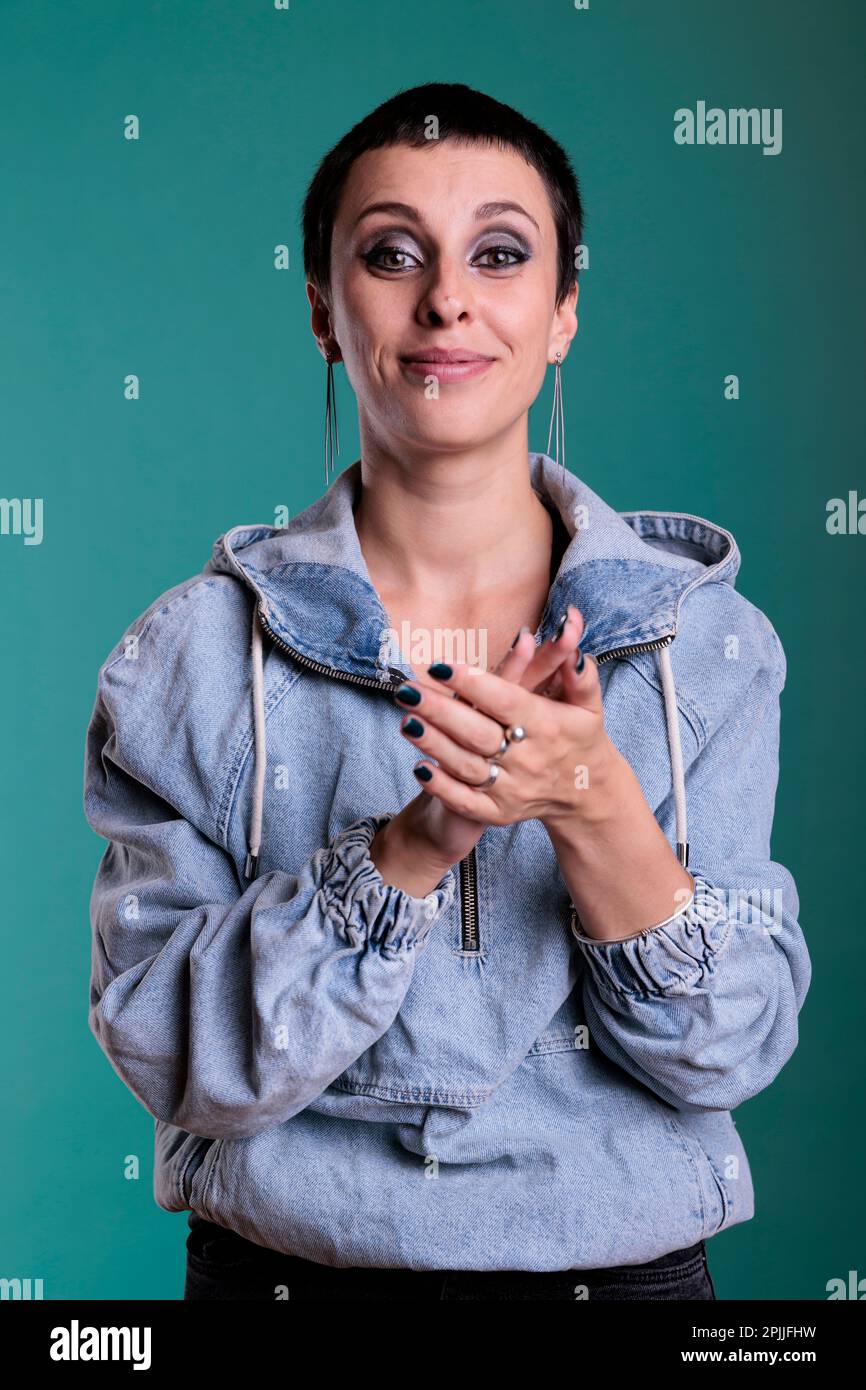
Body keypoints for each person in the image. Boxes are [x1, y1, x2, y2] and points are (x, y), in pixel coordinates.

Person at [83, 82, 811, 1301]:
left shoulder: (707, 645)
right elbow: (169, 1047)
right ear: (323, 307)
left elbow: (723, 1054)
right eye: (390, 253)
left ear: (563, 309)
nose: (447, 299)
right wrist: (410, 848)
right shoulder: (192, 657)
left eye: (499, 253)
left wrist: (593, 804)